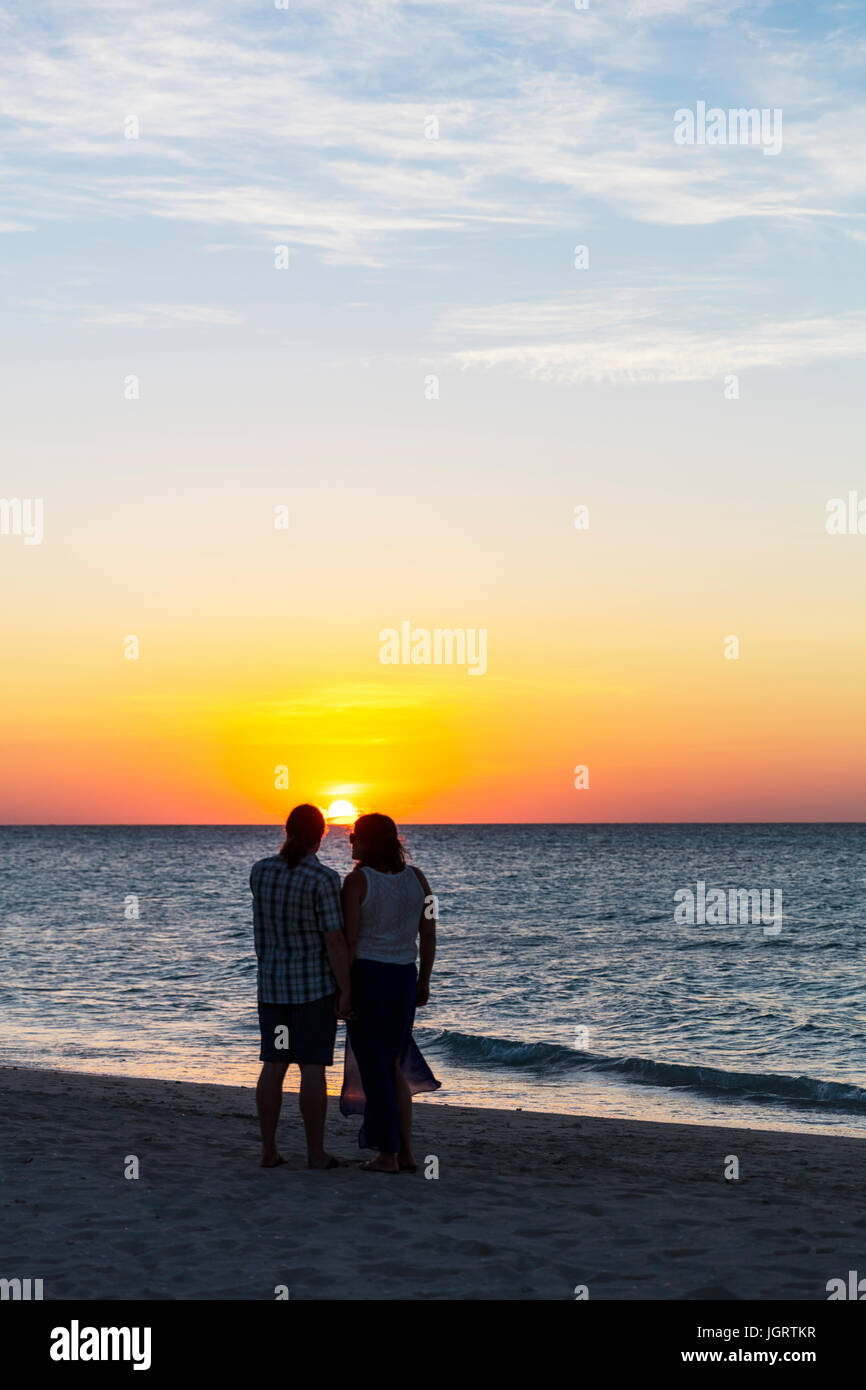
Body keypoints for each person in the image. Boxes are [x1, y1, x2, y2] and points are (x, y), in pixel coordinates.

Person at [251, 804, 351, 1169]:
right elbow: (335, 941)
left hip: (273, 989)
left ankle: (268, 1150)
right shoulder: (323, 879)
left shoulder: (260, 872)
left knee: (274, 1065)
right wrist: (347, 989)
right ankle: (314, 1153)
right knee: (312, 1067)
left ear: (287, 830)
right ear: (320, 836)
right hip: (313, 993)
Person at [339, 813, 440, 1173]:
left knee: (376, 1068)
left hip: (369, 978)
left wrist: (344, 991)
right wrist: (424, 980)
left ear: (370, 842)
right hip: (402, 978)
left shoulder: (357, 881)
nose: (350, 842)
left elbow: (349, 940)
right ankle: (406, 1153)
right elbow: (428, 933)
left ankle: (386, 1155)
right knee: (393, 1065)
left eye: (355, 836)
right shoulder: (417, 879)